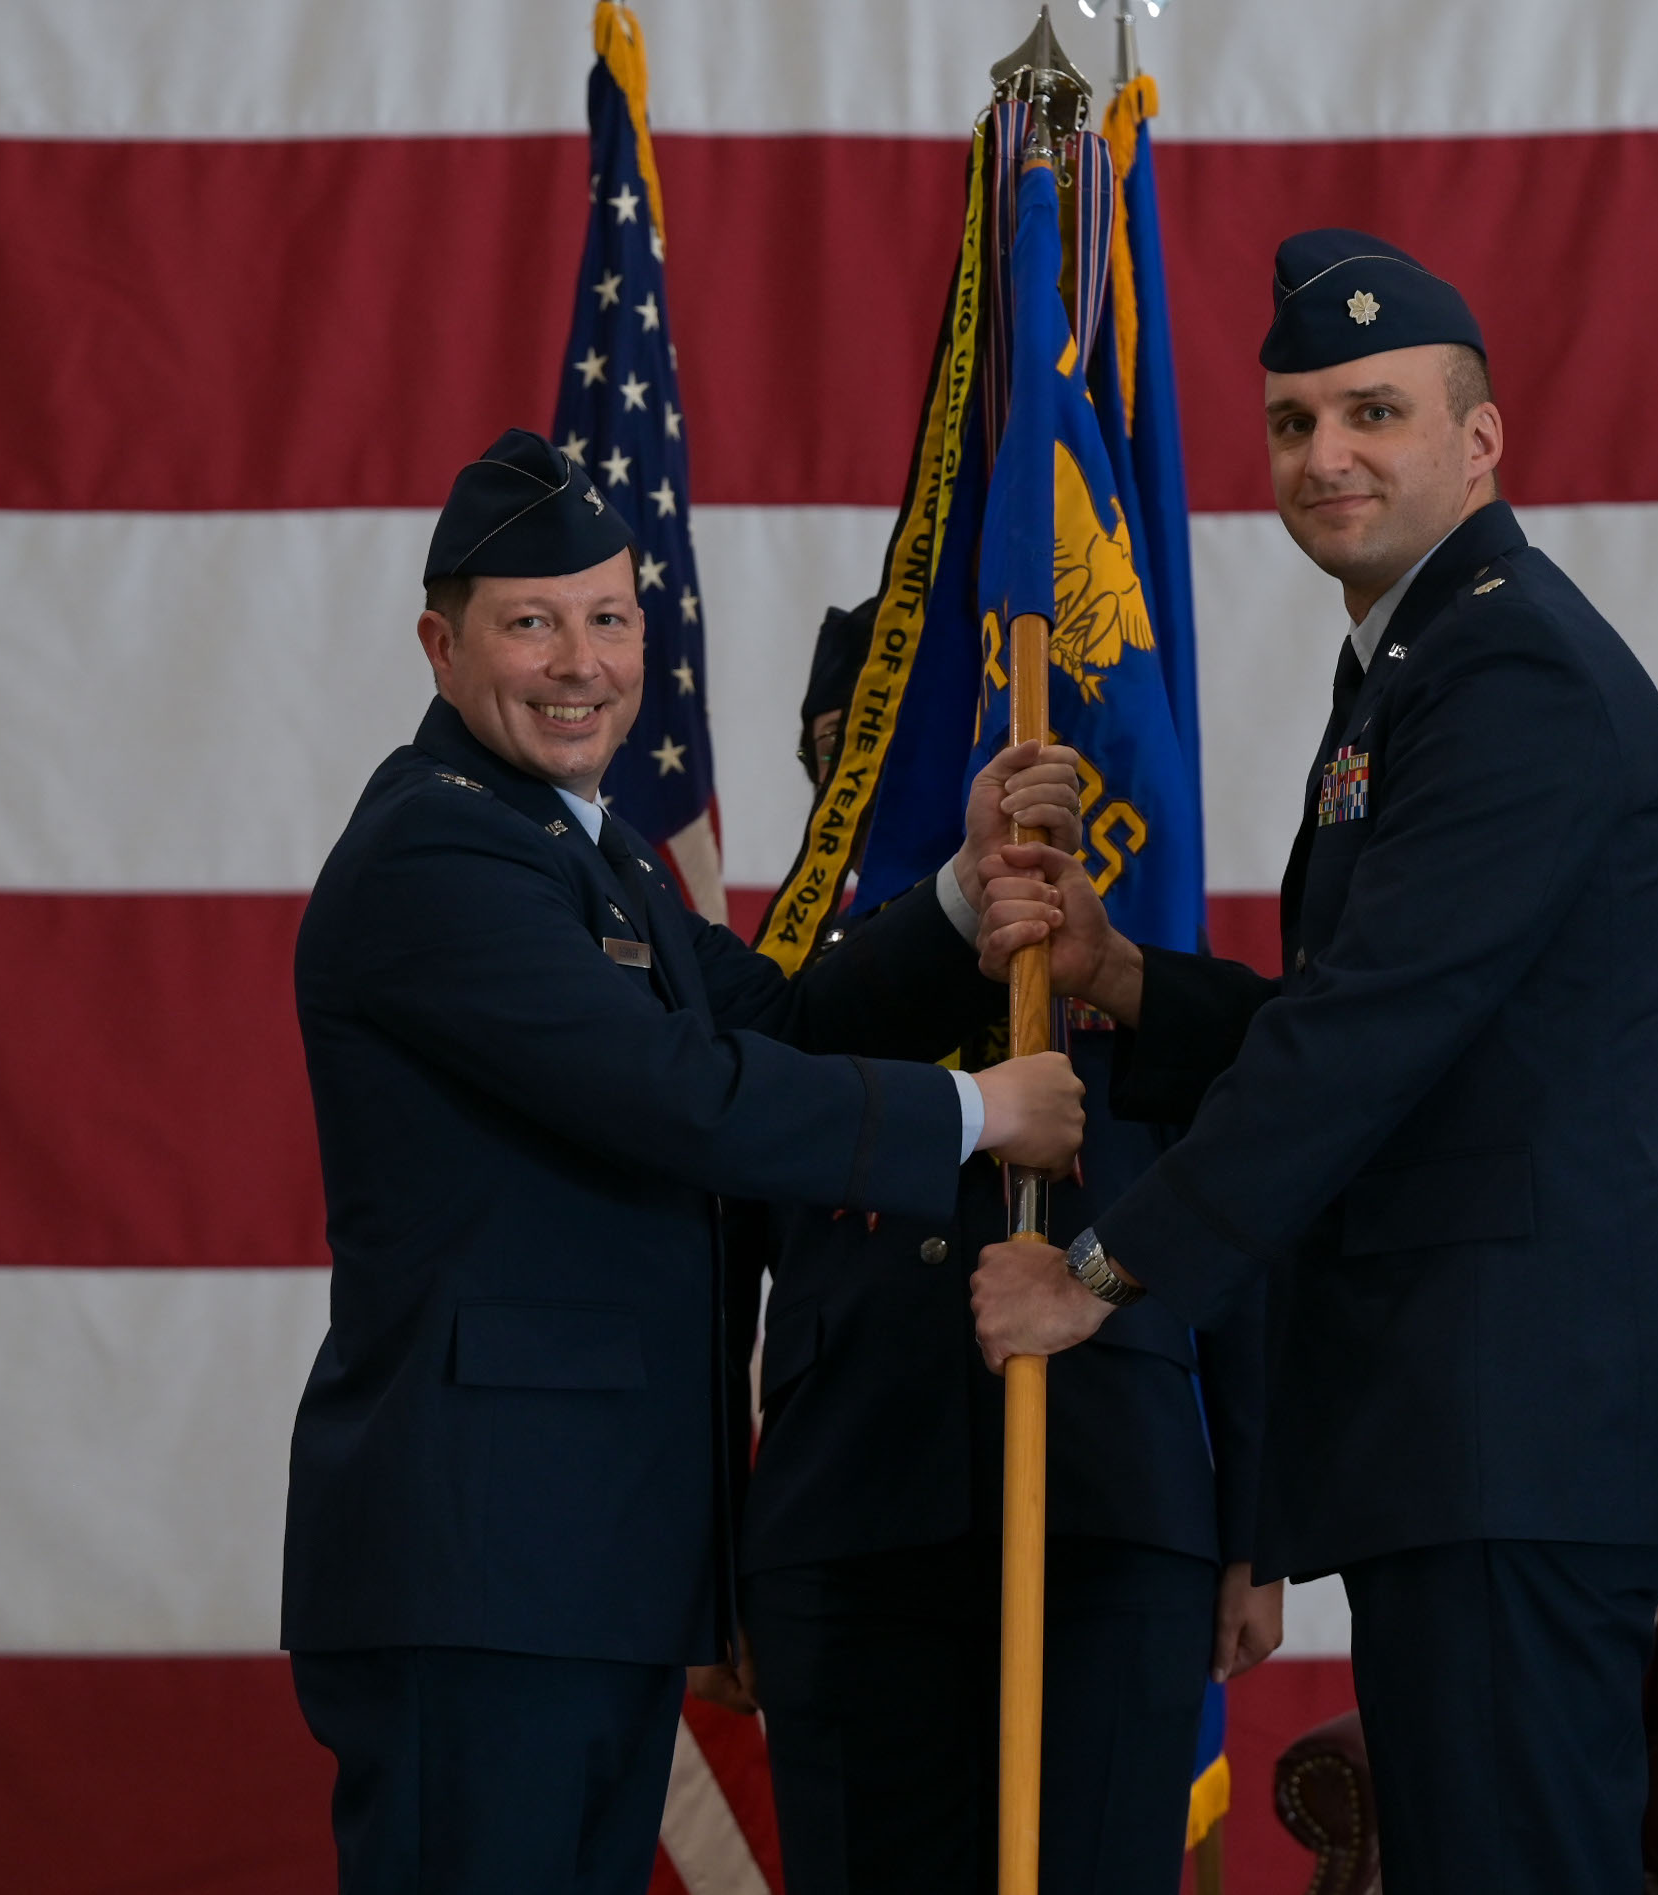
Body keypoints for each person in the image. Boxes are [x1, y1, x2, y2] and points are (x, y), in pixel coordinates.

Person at [968, 232, 1658, 1894]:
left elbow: (1375, 1034)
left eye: (1372, 413)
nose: (1323, 456)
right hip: (1475, 1404)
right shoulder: (1421, 664)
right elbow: (1367, 1003)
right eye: (1290, 424)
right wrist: (1126, 978)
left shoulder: (1506, 670)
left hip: (1519, 1394)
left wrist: (1102, 1270)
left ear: (1478, 442)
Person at [281, 429, 1086, 1895]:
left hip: (584, 1560)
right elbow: (681, 1095)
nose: (578, 661)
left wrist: (964, 895)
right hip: (484, 1564)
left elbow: (774, 1016)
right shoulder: (434, 857)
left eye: (607, 617)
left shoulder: (591, 851)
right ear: (439, 645)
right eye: (530, 622)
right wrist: (979, 1116)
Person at [701, 607, 1281, 1895]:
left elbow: (1236, 1235)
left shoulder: (1126, 971)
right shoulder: (783, 994)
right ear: (822, 759)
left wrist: (1255, 1530)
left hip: (1113, 1506)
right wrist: (709, 1557)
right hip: (846, 1515)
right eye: (864, 742)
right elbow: (714, 1278)